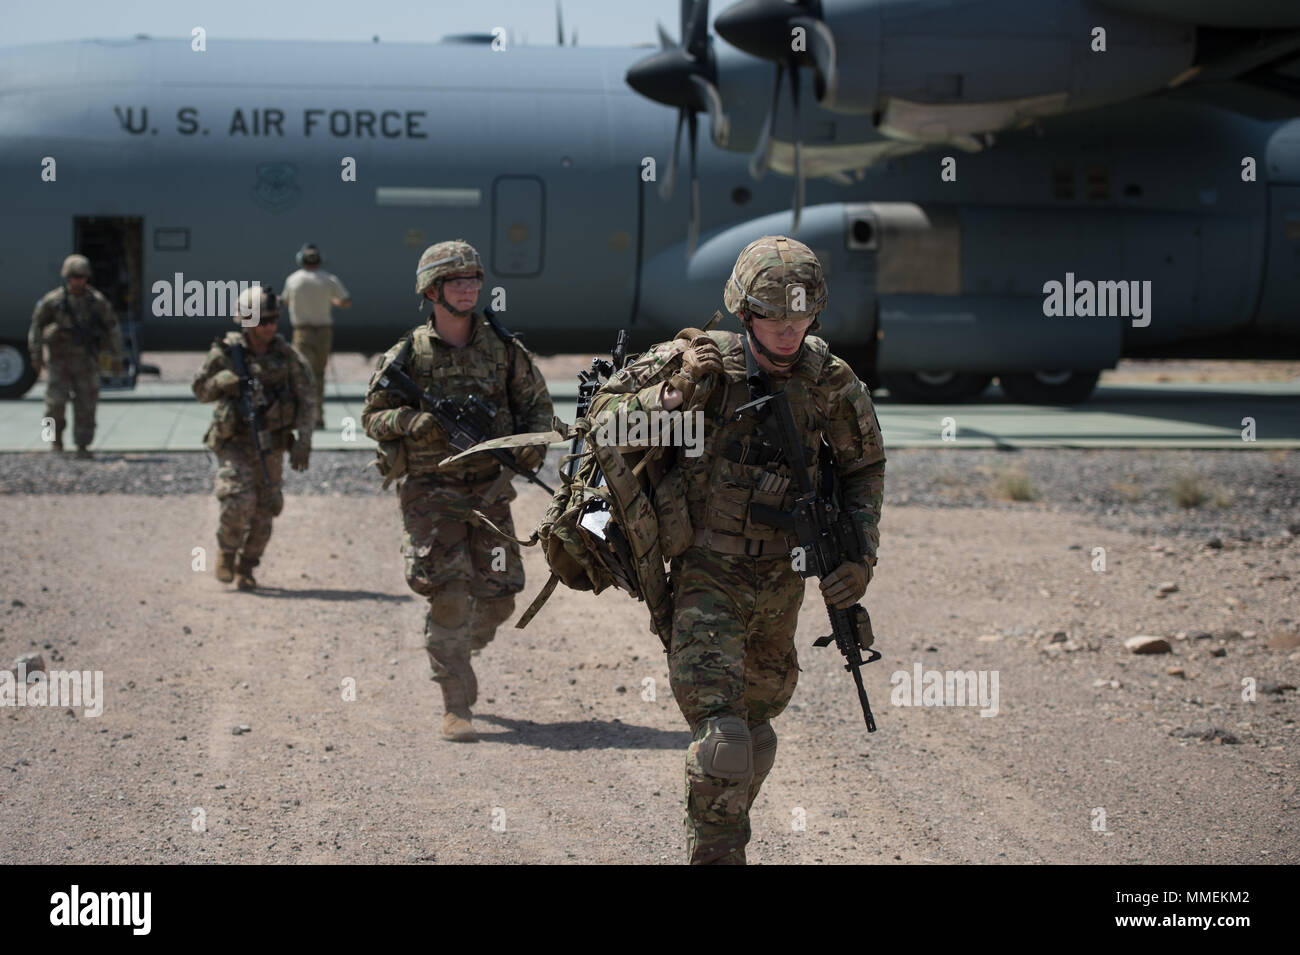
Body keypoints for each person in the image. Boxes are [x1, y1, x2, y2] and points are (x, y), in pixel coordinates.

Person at [589, 235, 886, 864]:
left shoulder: (830, 381)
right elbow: (607, 426)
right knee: (722, 736)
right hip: (707, 571)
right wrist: (662, 401)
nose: (788, 332)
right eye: (775, 319)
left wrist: (860, 557)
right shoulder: (701, 367)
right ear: (745, 312)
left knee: (756, 730)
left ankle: (717, 836)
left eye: (800, 319)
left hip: (784, 577)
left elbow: (864, 469)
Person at [362, 240, 553, 742]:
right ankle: (456, 703)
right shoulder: (407, 355)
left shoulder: (506, 350)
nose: (468, 288)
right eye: (456, 281)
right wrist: (411, 420)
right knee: (449, 596)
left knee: (500, 595)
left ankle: (455, 650)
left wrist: (531, 448)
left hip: (489, 492)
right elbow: (372, 418)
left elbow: (538, 412)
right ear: (432, 291)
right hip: (432, 492)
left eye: (473, 280)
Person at [191, 286, 316, 590]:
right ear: (245, 321)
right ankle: (227, 552)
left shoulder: (287, 356)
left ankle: (247, 566)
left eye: (273, 320)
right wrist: (222, 381)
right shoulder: (225, 352)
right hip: (234, 440)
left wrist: (304, 439)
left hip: (271, 442)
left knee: (266, 508)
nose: (269, 326)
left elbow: (307, 397)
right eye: (261, 320)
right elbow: (200, 391)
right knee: (238, 498)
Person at [27, 254, 125, 458]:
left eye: (81, 276)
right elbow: (36, 327)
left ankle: (83, 446)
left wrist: (117, 356)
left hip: (85, 361)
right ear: (66, 277)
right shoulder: (53, 301)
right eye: (73, 276)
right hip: (59, 361)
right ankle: (53, 443)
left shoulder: (96, 301)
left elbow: (112, 327)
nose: (77, 280)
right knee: (53, 405)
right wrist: (36, 355)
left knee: (86, 405)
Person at [281, 243, 350, 430]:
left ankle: (302, 416)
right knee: (318, 376)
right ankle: (318, 417)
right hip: (323, 332)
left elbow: (286, 301)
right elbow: (345, 301)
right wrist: (331, 301)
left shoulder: (293, 280)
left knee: (301, 374)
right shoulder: (329, 279)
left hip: (302, 331)